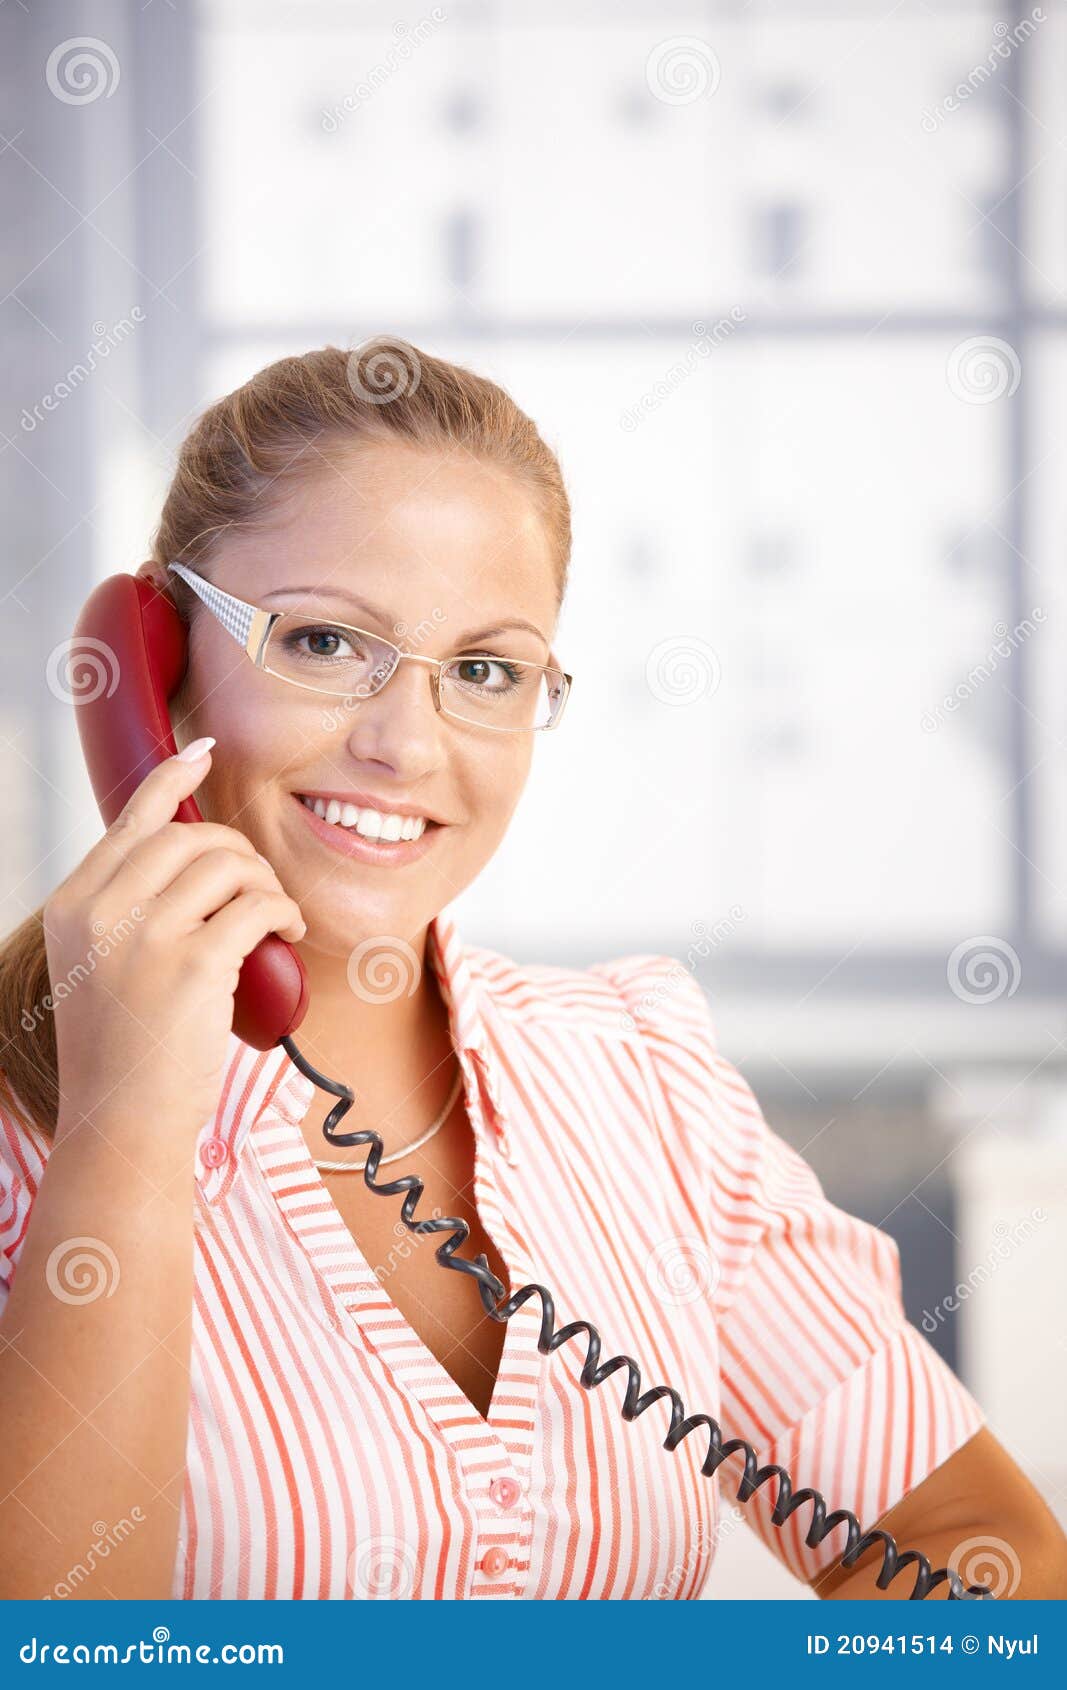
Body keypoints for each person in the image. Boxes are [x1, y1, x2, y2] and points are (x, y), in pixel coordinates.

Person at [0, 341, 1063, 1602]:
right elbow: (57, 1642)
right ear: (152, 658)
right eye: (328, 643)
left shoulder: (639, 1073)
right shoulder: (33, 1128)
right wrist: (125, 1119)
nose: (405, 741)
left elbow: (986, 1554)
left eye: (487, 671)